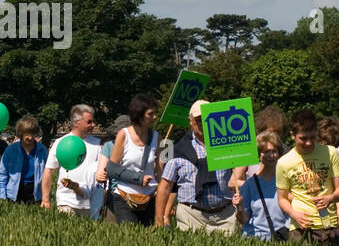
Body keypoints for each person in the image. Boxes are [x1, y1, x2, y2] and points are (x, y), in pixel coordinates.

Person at [155, 99, 239, 235]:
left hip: (225, 217)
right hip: (190, 216)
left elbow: (239, 175)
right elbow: (165, 187)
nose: (203, 123)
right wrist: (159, 220)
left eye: (207, 118)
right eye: (199, 119)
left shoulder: (228, 147)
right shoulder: (178, 150)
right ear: (190, 121)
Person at [275, 109, 339, 246]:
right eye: (303, 138)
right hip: (301, 227)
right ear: (293, 135)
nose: (308, 143)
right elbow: (282, 199)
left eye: (312, 137)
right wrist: (294, 214)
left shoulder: (331, 153)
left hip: (329, 225)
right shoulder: (284, 162)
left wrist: (330, 198)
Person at [106, 94, 163, 225]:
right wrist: (138, 178)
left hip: (150, 198)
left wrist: (162, 193)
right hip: (125, 197)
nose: (154, 117)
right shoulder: (123, 135)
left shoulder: (157, 137)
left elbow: (161, 172)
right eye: (150, 114)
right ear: (139, 114)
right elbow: (111, 168)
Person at [41, 105, 103, 218]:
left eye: (93, 121)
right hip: (66, 202)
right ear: (77, 123)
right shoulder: (61, 143)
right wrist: (45, 199)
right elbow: (48, 171)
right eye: (89, 122)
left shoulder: (98, 144)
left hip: (91, 204)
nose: (93, 125)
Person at [241, 131, 292, 241]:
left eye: (274, 151)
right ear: (259, 155)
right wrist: (238, 207)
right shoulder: (249, 185)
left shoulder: (287, 181)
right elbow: (244, 219)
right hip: (255, 242)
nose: (270, 155)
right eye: (266, 152)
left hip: (283, 239)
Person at [0, 116, 47, 203]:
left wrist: (46, 198)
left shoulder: (42, 150)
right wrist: (1, 198)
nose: (30, 137)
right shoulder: (10, 150)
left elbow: (47, 174)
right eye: (26, 134)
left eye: (33, 134)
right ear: (20, 133)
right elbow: (2, 175)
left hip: (36, 194)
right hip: (14, 193)